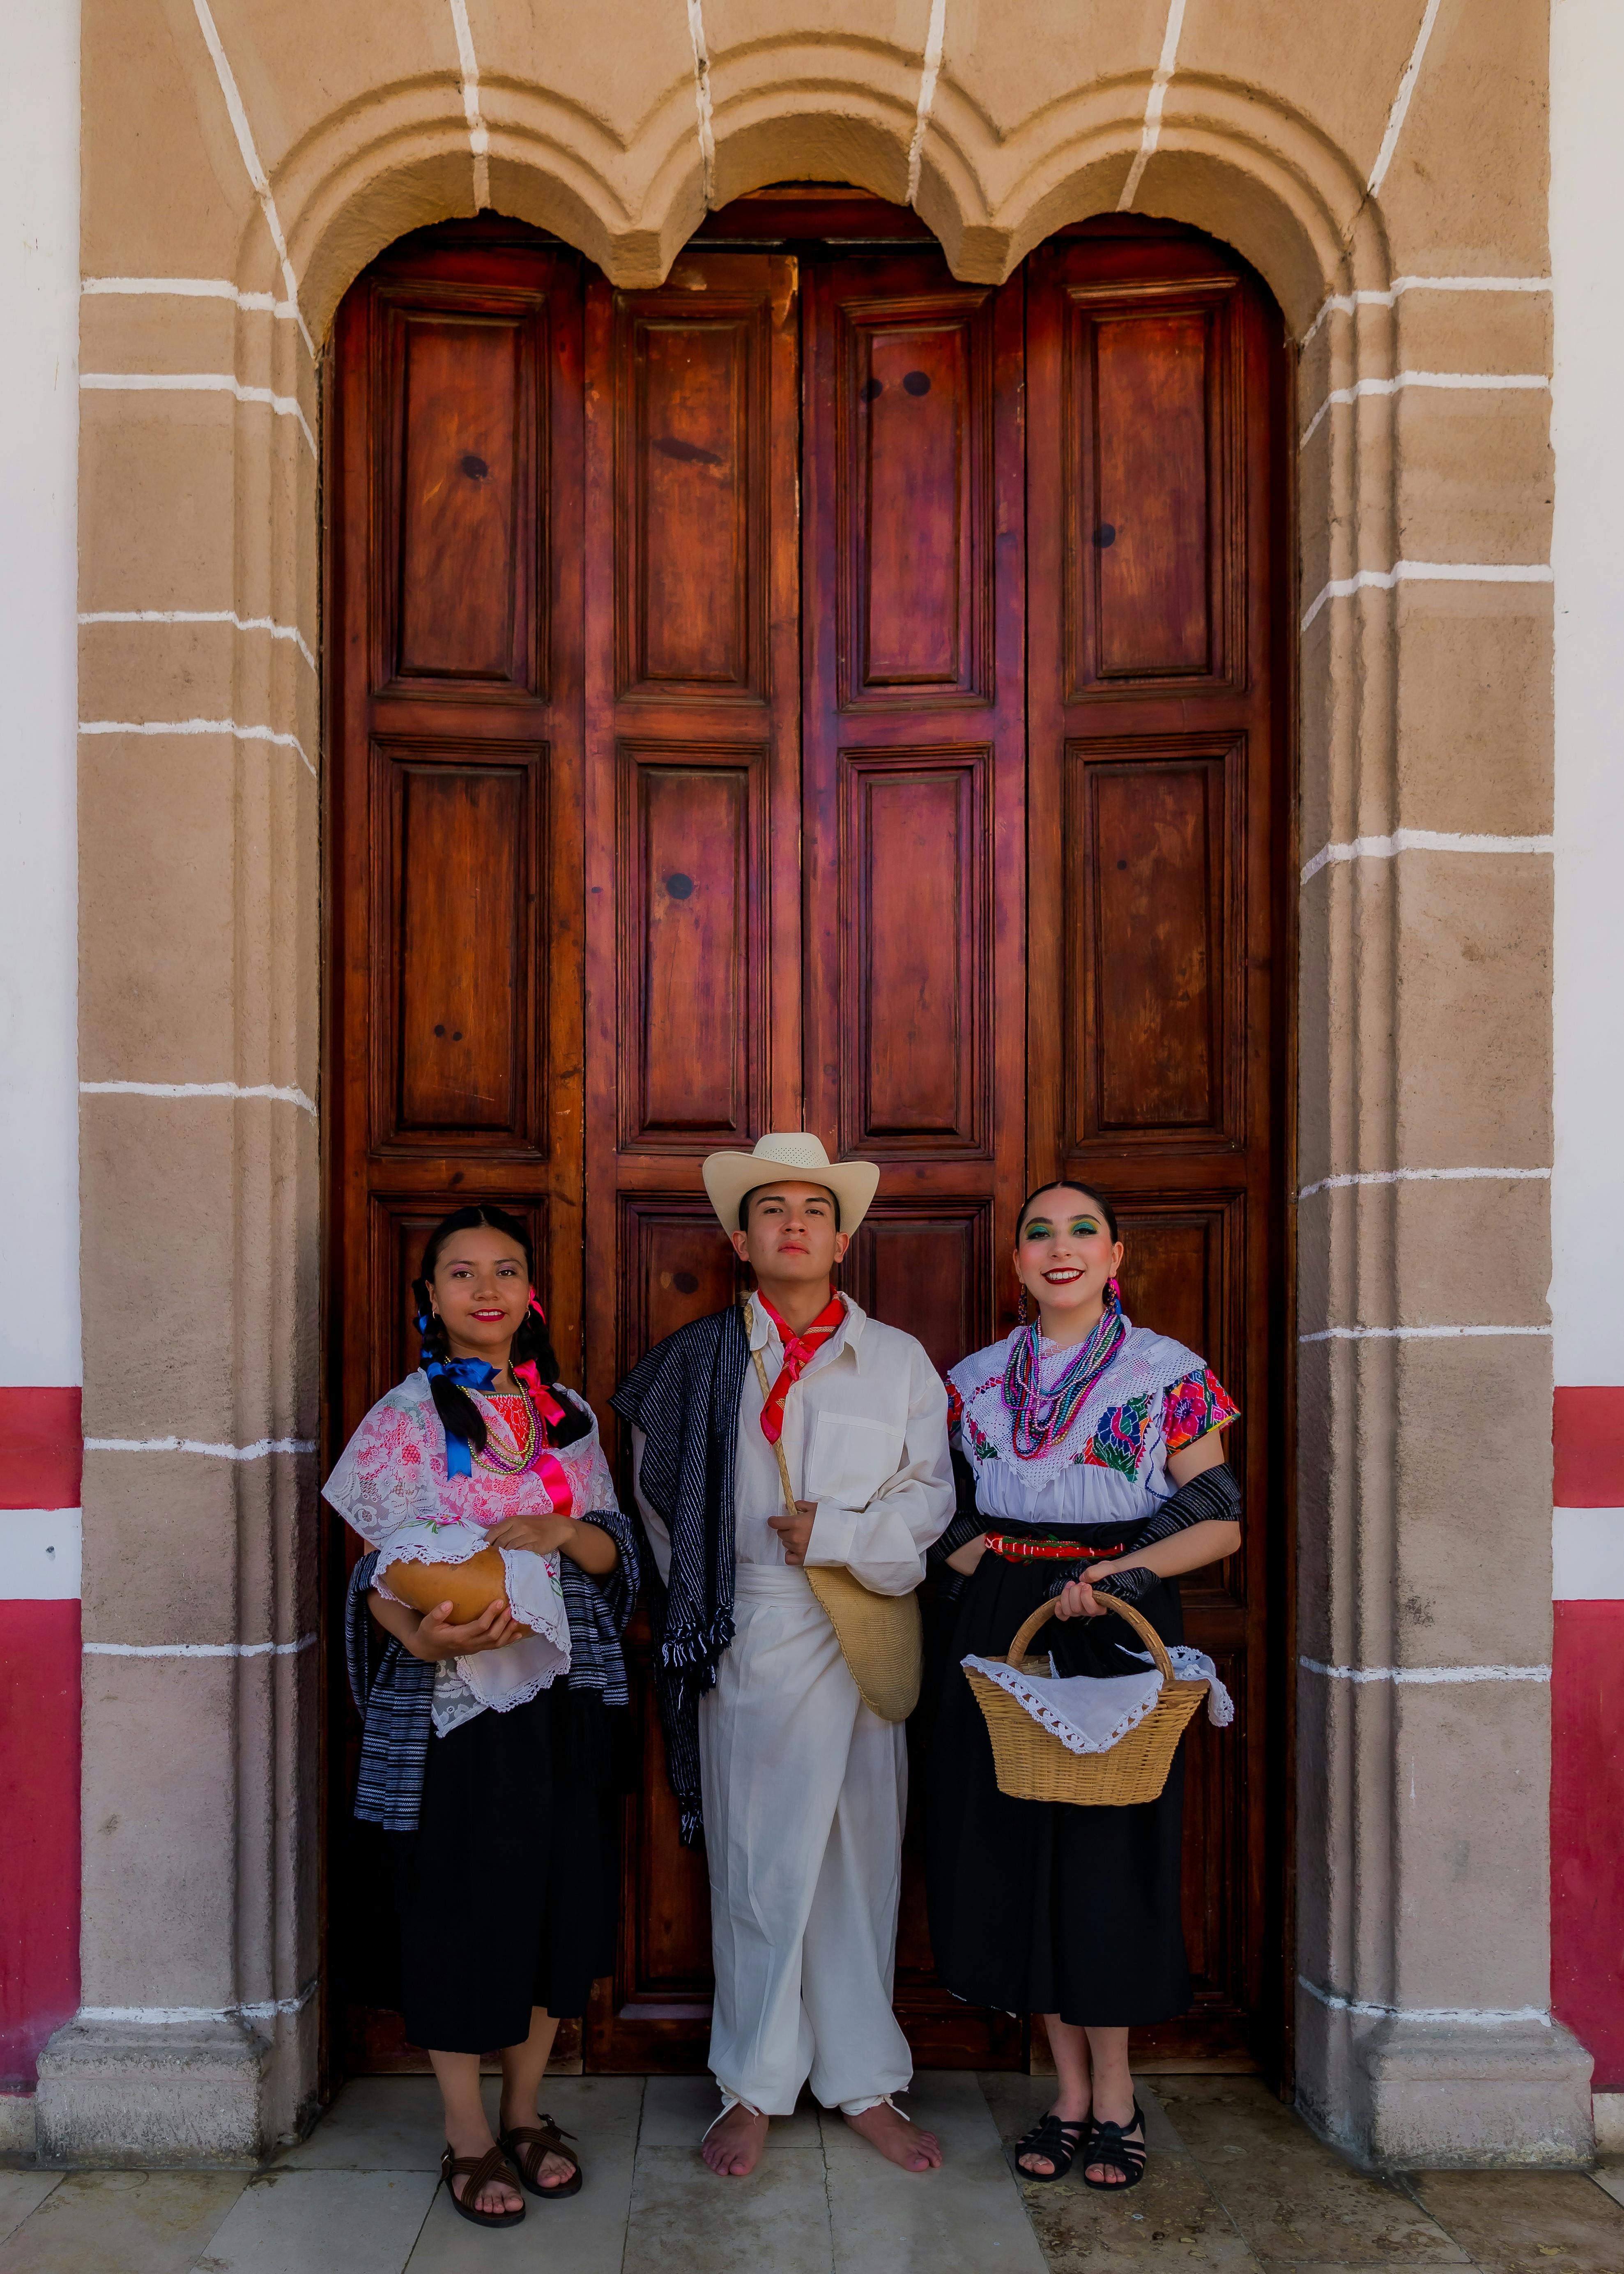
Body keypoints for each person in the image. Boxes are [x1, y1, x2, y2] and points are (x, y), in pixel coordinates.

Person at [612, 1132, 955, 2180]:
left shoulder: (895, 1359)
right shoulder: (692, 1362)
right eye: (772, 1210)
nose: (794, 1224)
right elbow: (661, 1507)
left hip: (866, 1618)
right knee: (760, 1862)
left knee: (859, 1854)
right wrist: (725, 1593)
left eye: (815, 1209)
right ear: (739, 1238)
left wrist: (841, 1537)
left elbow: (930, 1496)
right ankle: (752, 2084)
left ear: (844, 1239)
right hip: (751, 1626)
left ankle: (864, 2078)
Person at [324, 1204, 639, 2230]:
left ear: (530, 1292)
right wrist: (417, 1638)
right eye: (462, 1273)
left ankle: (528, 2108)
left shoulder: (570, 1418)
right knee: (457, 1907)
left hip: (561, 1693)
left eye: (507, 1270)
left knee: (553, 1900)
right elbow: (380, 1569)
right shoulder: (406, 1417)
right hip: (451, 1707)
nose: (487, 1288)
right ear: (431, 1299)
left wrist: (561, 1527)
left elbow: (615, 1556)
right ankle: (466, 2131)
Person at [925, 1181, 1242, 2191]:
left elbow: (1221, 1515)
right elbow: (938, 1512)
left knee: (1107, 1854)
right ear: (1017, 1261)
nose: (1059, 1248)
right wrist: (1003, 1575)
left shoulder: (1166, 1372)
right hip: (1007, 1619)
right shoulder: (970, 1381)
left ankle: (1117, 2095)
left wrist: (1116, 1577)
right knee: (1019, 1850)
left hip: (1119, 1610)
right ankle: (1063, 2094)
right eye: (1039, 1232)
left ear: (1116, 1254)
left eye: (1081, 1231)